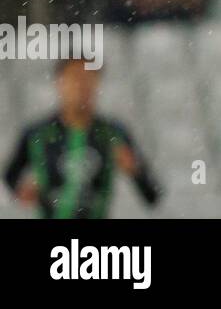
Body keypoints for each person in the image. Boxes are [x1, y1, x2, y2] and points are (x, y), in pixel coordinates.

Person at [3, 61, 162, 218]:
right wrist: (21, 191)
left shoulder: (113, 133)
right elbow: (8, 178)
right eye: (74, 77)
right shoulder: (37, 134)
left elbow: (153, 196)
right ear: (59, 82)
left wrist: (135, 171)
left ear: (97, 84)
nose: (81, 85)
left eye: (89, 78)